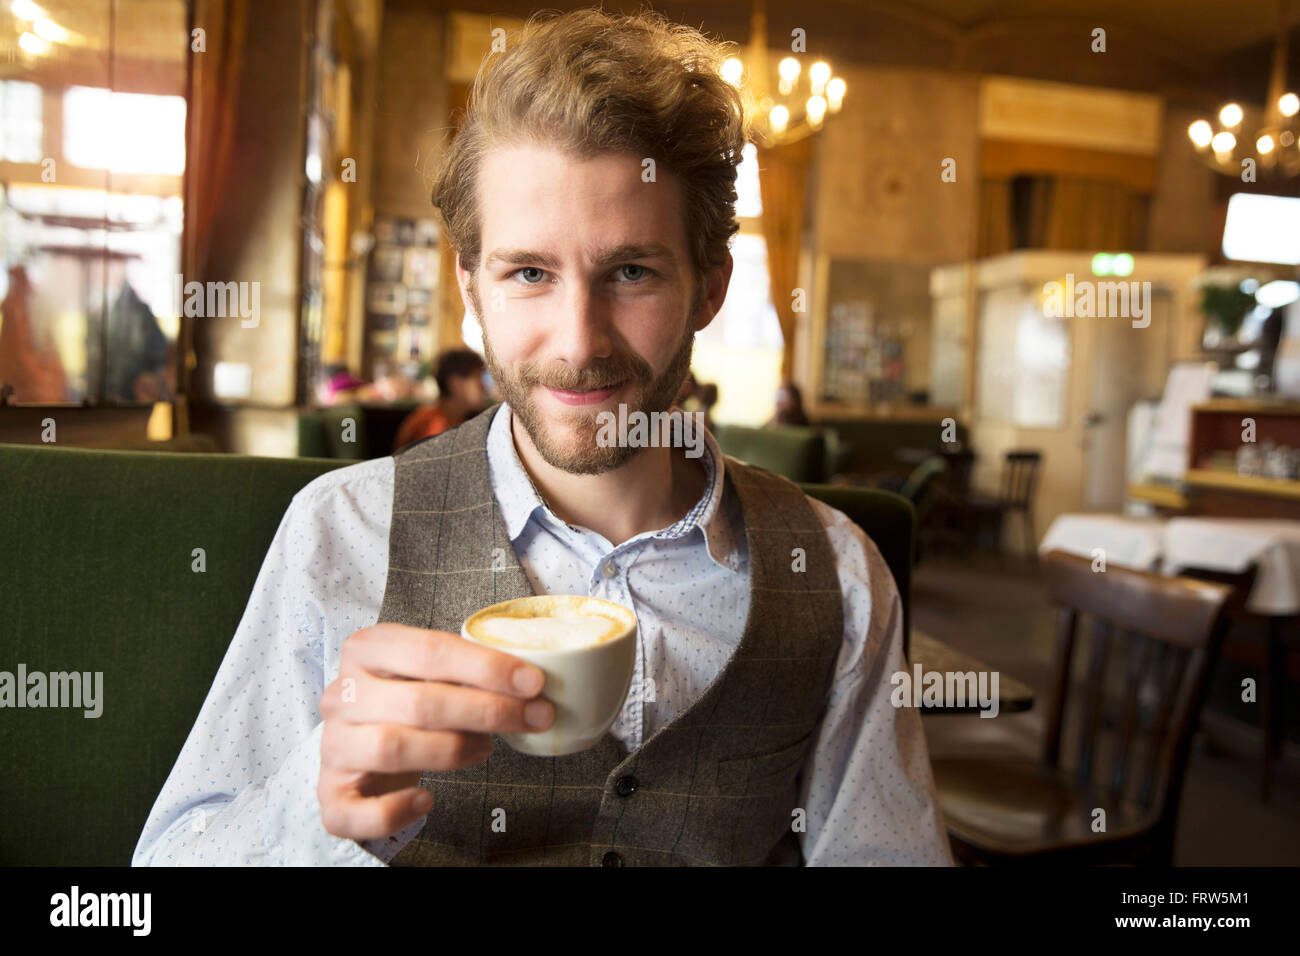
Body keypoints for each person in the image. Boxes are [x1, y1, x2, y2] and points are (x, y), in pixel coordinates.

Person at [133, 7, 951, 867]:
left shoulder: (840, 575)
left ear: (711, 286)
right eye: (528, 273)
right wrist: (316, 806)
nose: (578, 342)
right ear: (471, 290)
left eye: (630, 271)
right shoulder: (338, 532)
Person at [391, 348, 489, 451]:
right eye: (478, 379)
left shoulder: (457, 420)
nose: (484, 388)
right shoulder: (434, 425)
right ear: (455, 384)